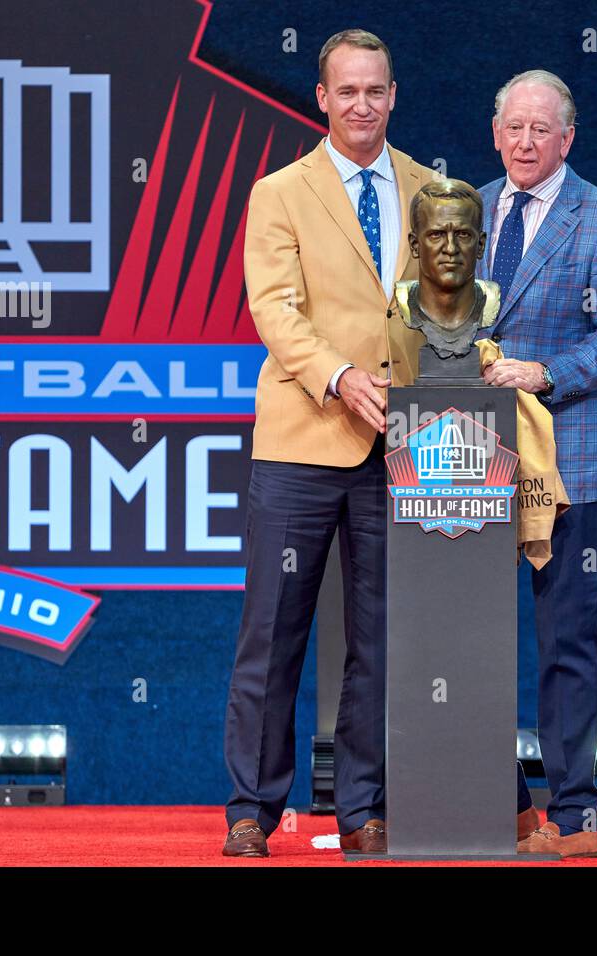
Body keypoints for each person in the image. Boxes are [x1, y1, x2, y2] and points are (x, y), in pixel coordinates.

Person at [222, 29, 429, 858]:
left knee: (381, 643)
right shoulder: (279, 192)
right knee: (273, 636)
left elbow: (440, 314)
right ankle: (251, 810)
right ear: (321, 97)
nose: (362, 105)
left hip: (402, 448)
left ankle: (362, 811)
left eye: (375, 90)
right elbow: (275, 310)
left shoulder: (429, 189)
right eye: (347, 91)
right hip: (303, 439)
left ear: (392, 94)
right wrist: (341, 376)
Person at [474, 69, 597, 858]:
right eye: (513, 126)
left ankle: (575, 814)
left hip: (570, 457)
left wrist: (544, 373)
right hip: (465, 458)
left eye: (541, 129)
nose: (524, 141)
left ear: (567, 139)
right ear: (495, 131)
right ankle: (501, 806)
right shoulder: (464, 212)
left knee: (566, 640)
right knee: (466, 637)